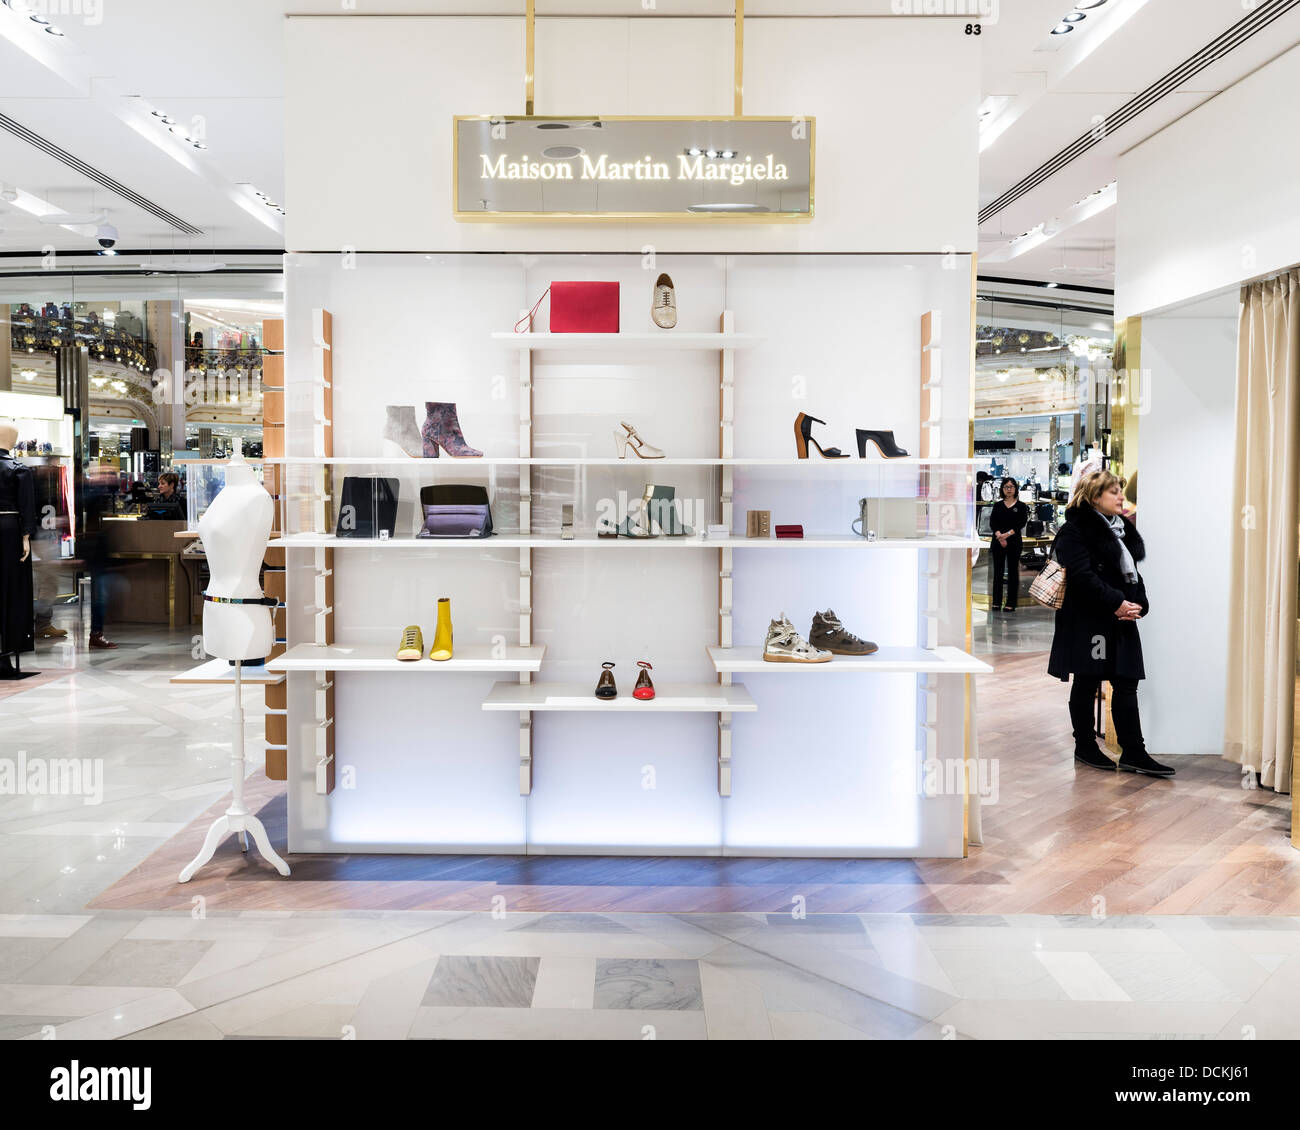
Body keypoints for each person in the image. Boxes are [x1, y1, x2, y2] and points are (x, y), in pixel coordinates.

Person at [1048, 470, 1173, 777]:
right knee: (1088, 681)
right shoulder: (1074, 530)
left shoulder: (1122, 530)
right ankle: (1085, 745)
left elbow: (1132, 574)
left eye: (1120, 490)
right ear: (1094, 498)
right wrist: (1116, 603)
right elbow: (1082, 576)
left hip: (1121, 619)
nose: (1121, 496)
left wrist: (1139, 604)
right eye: (1113, 491)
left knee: (1127, 682)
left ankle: (1134, 752)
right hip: (1090, 619)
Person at [988, 477, 1028, 613]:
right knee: (998, 573)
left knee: (1012, 573)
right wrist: (999, 535)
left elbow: (1021, 523)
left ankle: (1011, 603)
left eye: (1011, 486)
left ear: (1016, 489)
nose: (1009, 489)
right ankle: (996, 602)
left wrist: (1007, 535)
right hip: (998, 542)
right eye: (1006, 487)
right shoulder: (998, 505)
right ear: (1002, 489)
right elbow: (993, 523)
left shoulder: (1022, 506)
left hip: (1014, 542)